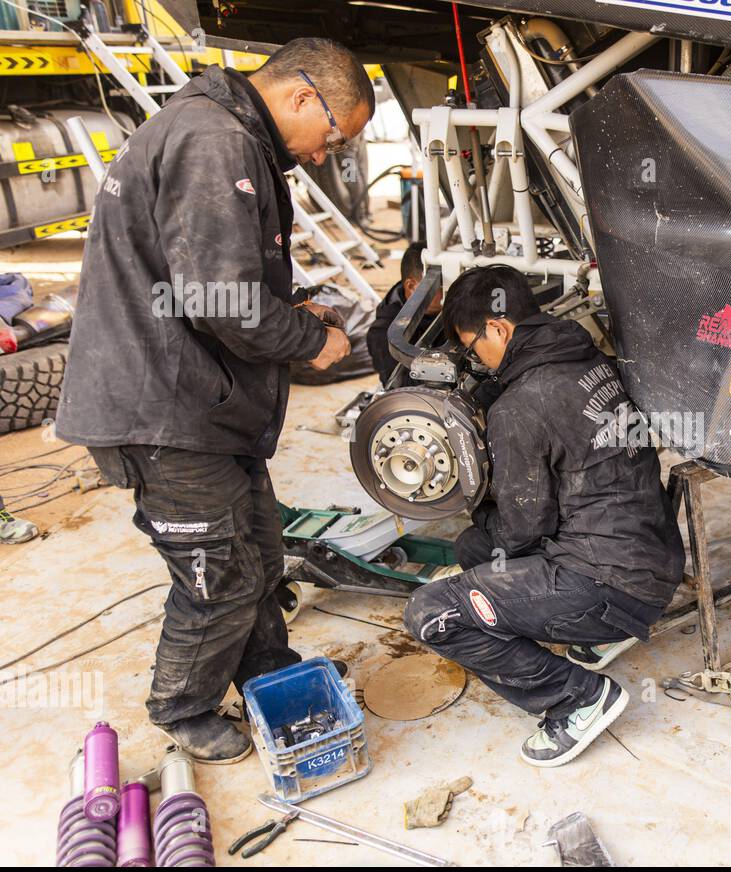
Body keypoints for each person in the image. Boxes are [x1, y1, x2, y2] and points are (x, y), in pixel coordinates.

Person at [55, 38, 375, 763]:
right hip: (161, 406)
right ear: (301, 96)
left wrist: (291, 306)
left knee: (259, 553)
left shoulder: (225, 132)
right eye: (333, 136)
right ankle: (183, 706)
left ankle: (263, 671)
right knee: (220, 575)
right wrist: (307, 340)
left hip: (200, 397)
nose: (325, 156)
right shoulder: (213, 139)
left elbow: (208, 275)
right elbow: (215, 297)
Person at [404, 265, 685, 767]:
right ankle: (595, 636)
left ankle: (577, 698)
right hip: (655, 557)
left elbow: (521, 530)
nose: (476, 363)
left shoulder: (520, 406)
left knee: (432, 614)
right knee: (472, 547)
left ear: (499, 329)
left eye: (472, 349)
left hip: (609, 583)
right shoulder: (585, 356)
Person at [366, 241, 441, 385]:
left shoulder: (441, 306)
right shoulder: (383, 333)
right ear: (411, 285)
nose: (449, 291)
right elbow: (400, 387)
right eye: (439, 285)